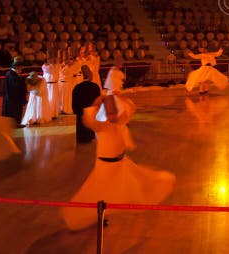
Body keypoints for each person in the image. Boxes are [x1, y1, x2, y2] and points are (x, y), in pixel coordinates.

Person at [61, 94, 175, 230]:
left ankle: (102, 213)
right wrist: (97, 102)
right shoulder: (102, 127)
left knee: (134, 186)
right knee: (98, 192)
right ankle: (91, 215)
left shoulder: (121, 123)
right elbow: (88, 119)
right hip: (105, 167)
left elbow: (131, 108)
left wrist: (121, 97)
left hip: (121, 165)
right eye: (109, 113)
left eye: (114, 112)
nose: (112, 116)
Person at [72, 65, 101, 144]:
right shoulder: (95, 87)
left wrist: (77, 111)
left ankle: (82, 138)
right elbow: (98, 102)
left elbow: (74, 103)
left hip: (80, 114)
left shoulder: (77, 87)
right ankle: (90, 136)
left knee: (81, 128)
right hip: (91, 113)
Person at [1, 57, 27, 126]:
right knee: (13, 112)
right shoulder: (12, 75)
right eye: (21, 66)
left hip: (14, 99)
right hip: (13, 99)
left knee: (16, 111)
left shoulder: (12, 74)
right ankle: (15, 124)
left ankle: (16, 123)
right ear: (17, 67)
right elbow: (16, 87)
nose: (22, 68)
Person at [42, 55, 60, 119]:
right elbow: (50, 70)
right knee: (50, 99)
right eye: (49, 59)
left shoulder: (56, 65)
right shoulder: (45, 66)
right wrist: (52, 64)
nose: (51, 60)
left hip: (55, 84)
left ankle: (54, 113)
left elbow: (58, 68)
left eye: (52, 59)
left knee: (55, 99)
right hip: (48, 85)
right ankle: (49, 113)